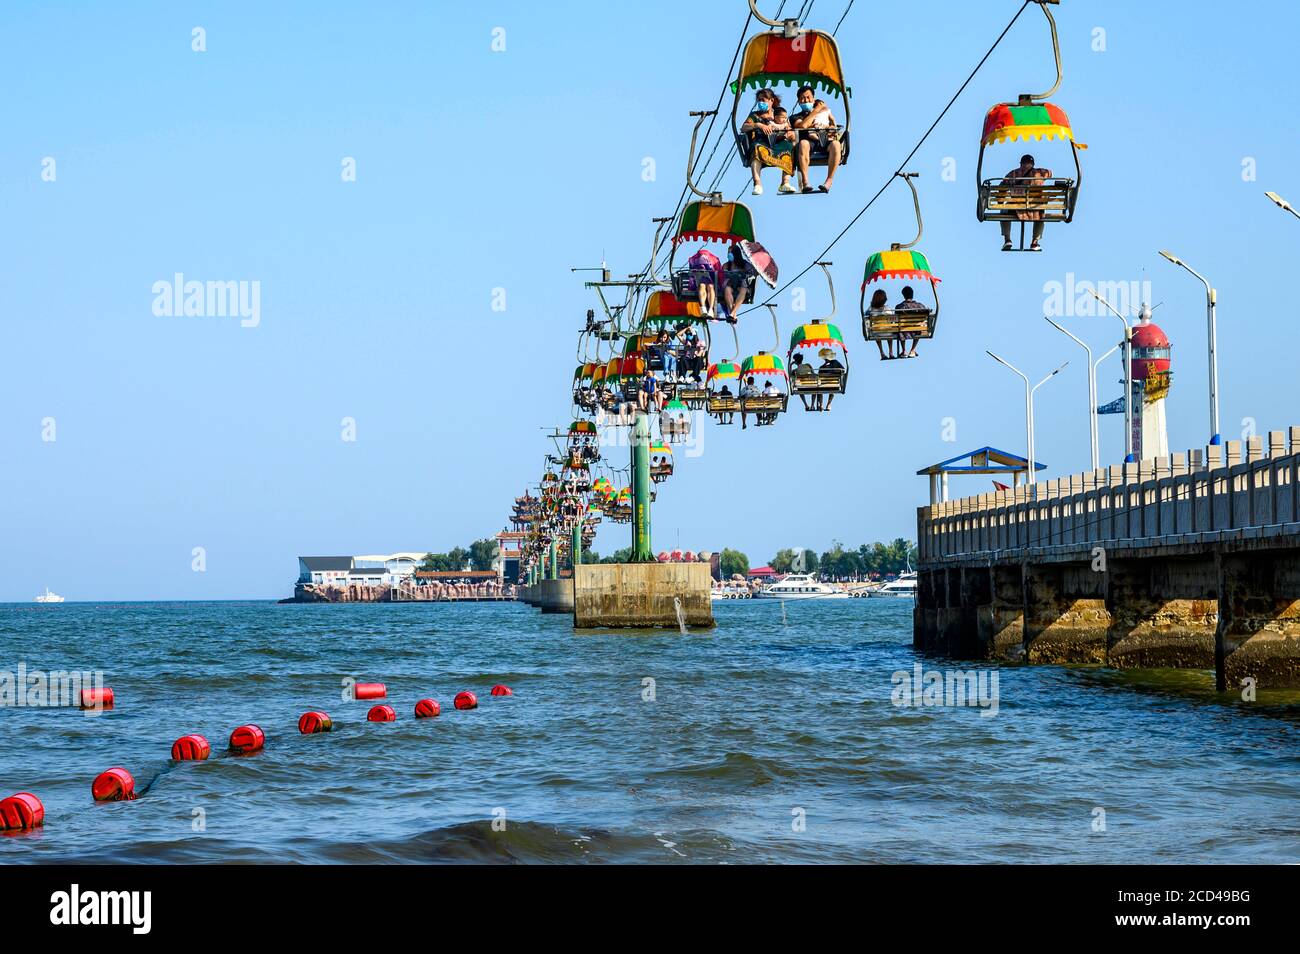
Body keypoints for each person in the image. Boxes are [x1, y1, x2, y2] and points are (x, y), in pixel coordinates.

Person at [740, 89, 798, 196]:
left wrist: (789, 133)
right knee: (757, 149)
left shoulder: (778, 114)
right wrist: (759, 125)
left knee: (789, 147)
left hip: (777, 142)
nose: (760, 102)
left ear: (771, 100)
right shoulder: (755, 115)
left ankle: (785, 183)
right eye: (759, 100)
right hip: (762, 142)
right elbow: (744, 127)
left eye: (763, 100)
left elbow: (789, 128)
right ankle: (757, 183)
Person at [790, 86, 842, 194]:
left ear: (813, 99)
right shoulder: (796, 117)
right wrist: (815, 111)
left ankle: (829, 181)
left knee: (836, 144)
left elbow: (833, 123)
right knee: (803, 143)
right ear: (799, 101)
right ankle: (805, 182)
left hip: (826, 140)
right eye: (802, 98)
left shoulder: (824, 113)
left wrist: (831, 126)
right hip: (810, 142)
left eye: (808, 97)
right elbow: (803, 125)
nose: (806, 100)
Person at [999, 153, 1053, 252]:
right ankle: (1034, 242)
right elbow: (1050, 173)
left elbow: (1001, 188)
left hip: (1015, 209)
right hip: (1034, 209)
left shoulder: (1012, 174)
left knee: (1003, 211)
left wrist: (1000, 199)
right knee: (1042, 213)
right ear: (1032, 164)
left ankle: (1007, 240)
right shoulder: (1039, 173)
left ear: (1021, 164)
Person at [687, 246, 723, 318]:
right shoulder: (713, 259)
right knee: (704, 285)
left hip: (709, 281)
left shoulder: (694, 260)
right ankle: (705, 308)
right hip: (702, 282)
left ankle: (708, 309)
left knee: (708, 286)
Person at [894, 286, 929, 358]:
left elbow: (896, 318)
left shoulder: (899, 307)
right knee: (919, 327)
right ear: (912, 294)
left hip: (903, 331)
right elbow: (927, 312)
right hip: (916, 330)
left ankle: (904, 351)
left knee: (900, 328)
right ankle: (912, 350)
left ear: (903, 295)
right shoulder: (920, 306)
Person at [722, 244, 754, 320]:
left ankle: (733, 313)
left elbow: (751, 272)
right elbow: (724, 274)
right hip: (731, 284)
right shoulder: (726, 265)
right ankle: (732, 313)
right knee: (727, 289)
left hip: (741, 285)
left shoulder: (744, 264)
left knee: (743, 289)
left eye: (731, 252)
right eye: (728, 252)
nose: (729, 254)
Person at [865, 288, 895, 360]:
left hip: (876, 333)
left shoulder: (870, 310)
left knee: (875, 330)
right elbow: (892, 319)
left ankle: (882, 352)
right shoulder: (887, 309)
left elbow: (865, 317)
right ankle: (891, 352)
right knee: (889, 329)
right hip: (888, 333)